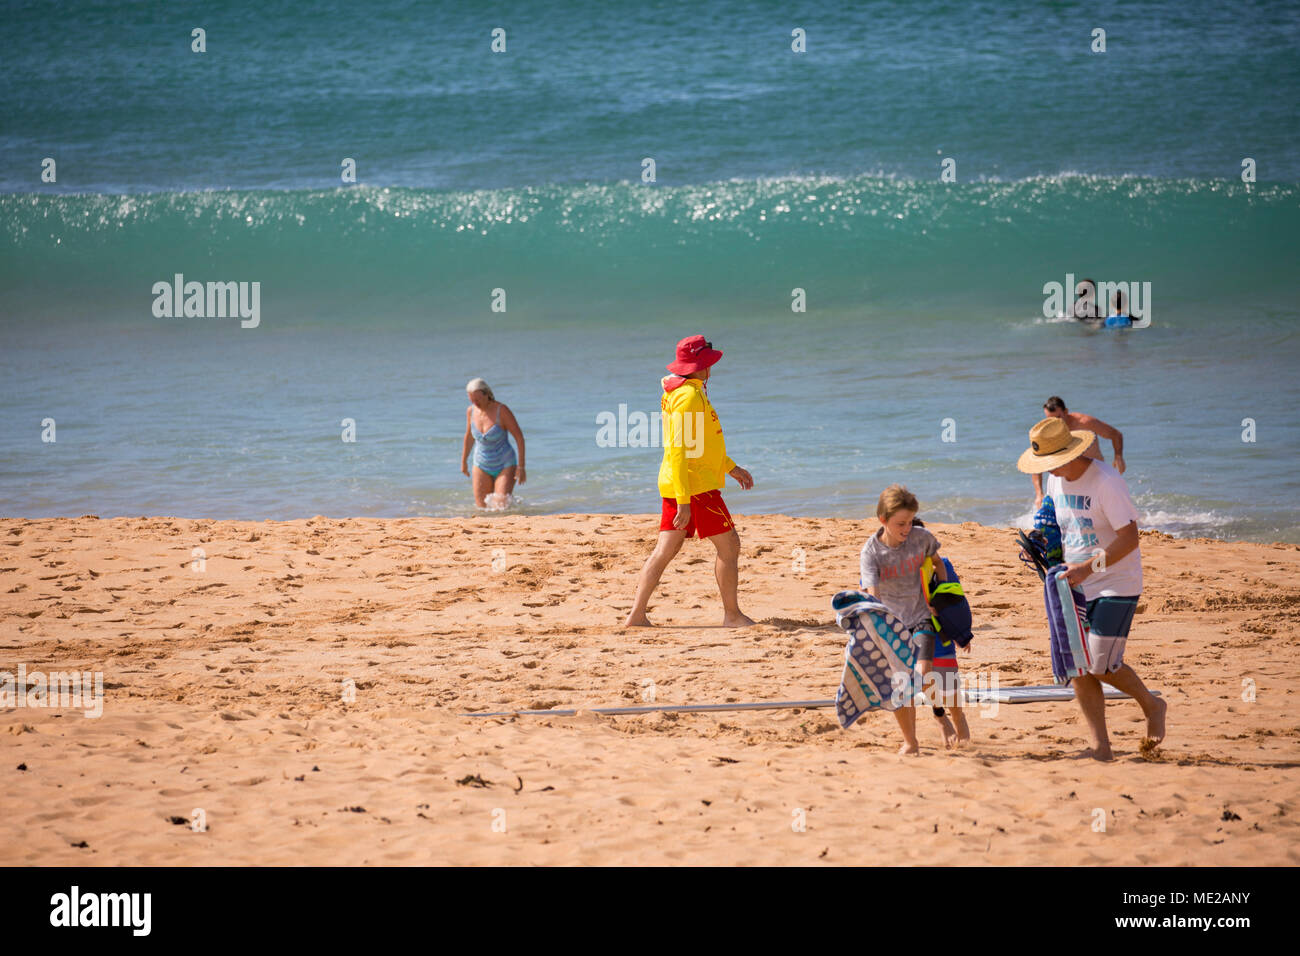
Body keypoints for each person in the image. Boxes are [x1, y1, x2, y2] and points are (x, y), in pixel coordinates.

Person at [1016, 417, 1166, 760]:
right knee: (1079, 666)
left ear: (1071, 454)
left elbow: (1130, 539)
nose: (1049, 472)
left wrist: (1088, 567)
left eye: (1053, 463)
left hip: (1116, 583)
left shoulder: (1106, 483)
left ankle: (1152, 705)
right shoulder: (1057, 482)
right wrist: (1038, 542)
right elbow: (1054, 522)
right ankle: (1101, 747)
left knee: (1100, 663)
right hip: (1074, 583)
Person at [624, 335, 754, 628]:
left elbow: (701, 444)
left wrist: (730, 468)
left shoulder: (682, 391)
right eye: (708, 363)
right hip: (694, 487)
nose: (712, 369)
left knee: (665, 550)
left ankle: (637, 615)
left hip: (681, 482)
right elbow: (679, 450)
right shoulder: (690, 397)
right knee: (730, 545)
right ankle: (732, 616)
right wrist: (684, 501)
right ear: (698, 366)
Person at [859, 486, 969, 752]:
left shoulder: (923, 541)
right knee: (902, 684)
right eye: (901, 524)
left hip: (927, 620)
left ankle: (955, 718)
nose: (908, 529)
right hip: (894, 624)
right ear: (883, 520)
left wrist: (941, 605)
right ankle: (913, 740)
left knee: (940, 674)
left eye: (911, 523)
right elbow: (871, 593)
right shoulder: (871, 553)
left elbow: (944, 572)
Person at [1031, 397, 1125, 509]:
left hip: (1095, 474)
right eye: (1050, 419)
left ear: (1066, 412)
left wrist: (1118, 456)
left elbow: (1115, 434)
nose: (1055, 422)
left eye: (1058, 417)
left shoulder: (1085, 423)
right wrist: (1039, 493)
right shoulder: (1049, 432)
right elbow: (1038, 459)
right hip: (1068, 477)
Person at [461, 378, 525, 510]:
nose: (475, 403)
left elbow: (519, 437)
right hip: (481, 463)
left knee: (500, 506)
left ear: (487, 394)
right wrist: (464, 461)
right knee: (482, 508)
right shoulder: (471, 411)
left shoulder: (502, 411)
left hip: (505, 464)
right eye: (472, 400)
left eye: (478, 399)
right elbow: (468, 437)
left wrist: (521, 467)